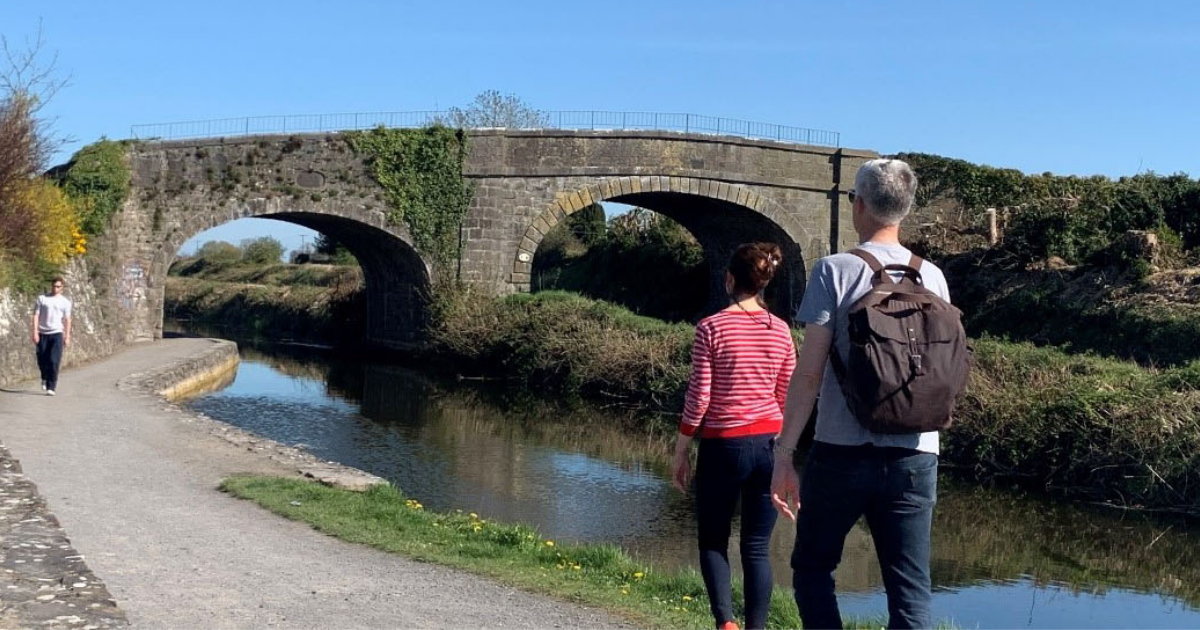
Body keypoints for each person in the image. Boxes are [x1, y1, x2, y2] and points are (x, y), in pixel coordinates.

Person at [771, 158, 951, 629]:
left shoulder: (835, 270)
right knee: (910, 591)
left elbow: (808, 375)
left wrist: (785, 454)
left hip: (842, 453)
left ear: (861, 205)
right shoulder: (933, 277)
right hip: (916, 455)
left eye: (852, 198)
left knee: (812, 569)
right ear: (904, 211)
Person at [672, 243, 797, 630]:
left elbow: (700, 397)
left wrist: (681, 449)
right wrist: (785, 452)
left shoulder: (710, 328)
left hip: (723, 445)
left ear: (729, 279)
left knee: (713, 539)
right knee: (757, 548)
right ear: (762, 283)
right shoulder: (781, 331)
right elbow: (785, 395)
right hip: (768, 445)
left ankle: (726, 622)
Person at [31, 276, 72, 396]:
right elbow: (36, 316)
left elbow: (68, 320)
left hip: (57, 333)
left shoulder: (65, 302)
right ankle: (44, 377)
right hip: (42, 333)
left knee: (54, 361)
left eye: (58, 286)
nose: (55, 288)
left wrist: (67, 336)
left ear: (62, 288)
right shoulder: (42, 299)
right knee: (42, 360)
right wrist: (35, 331)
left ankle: (51, 386)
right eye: (54, 286)